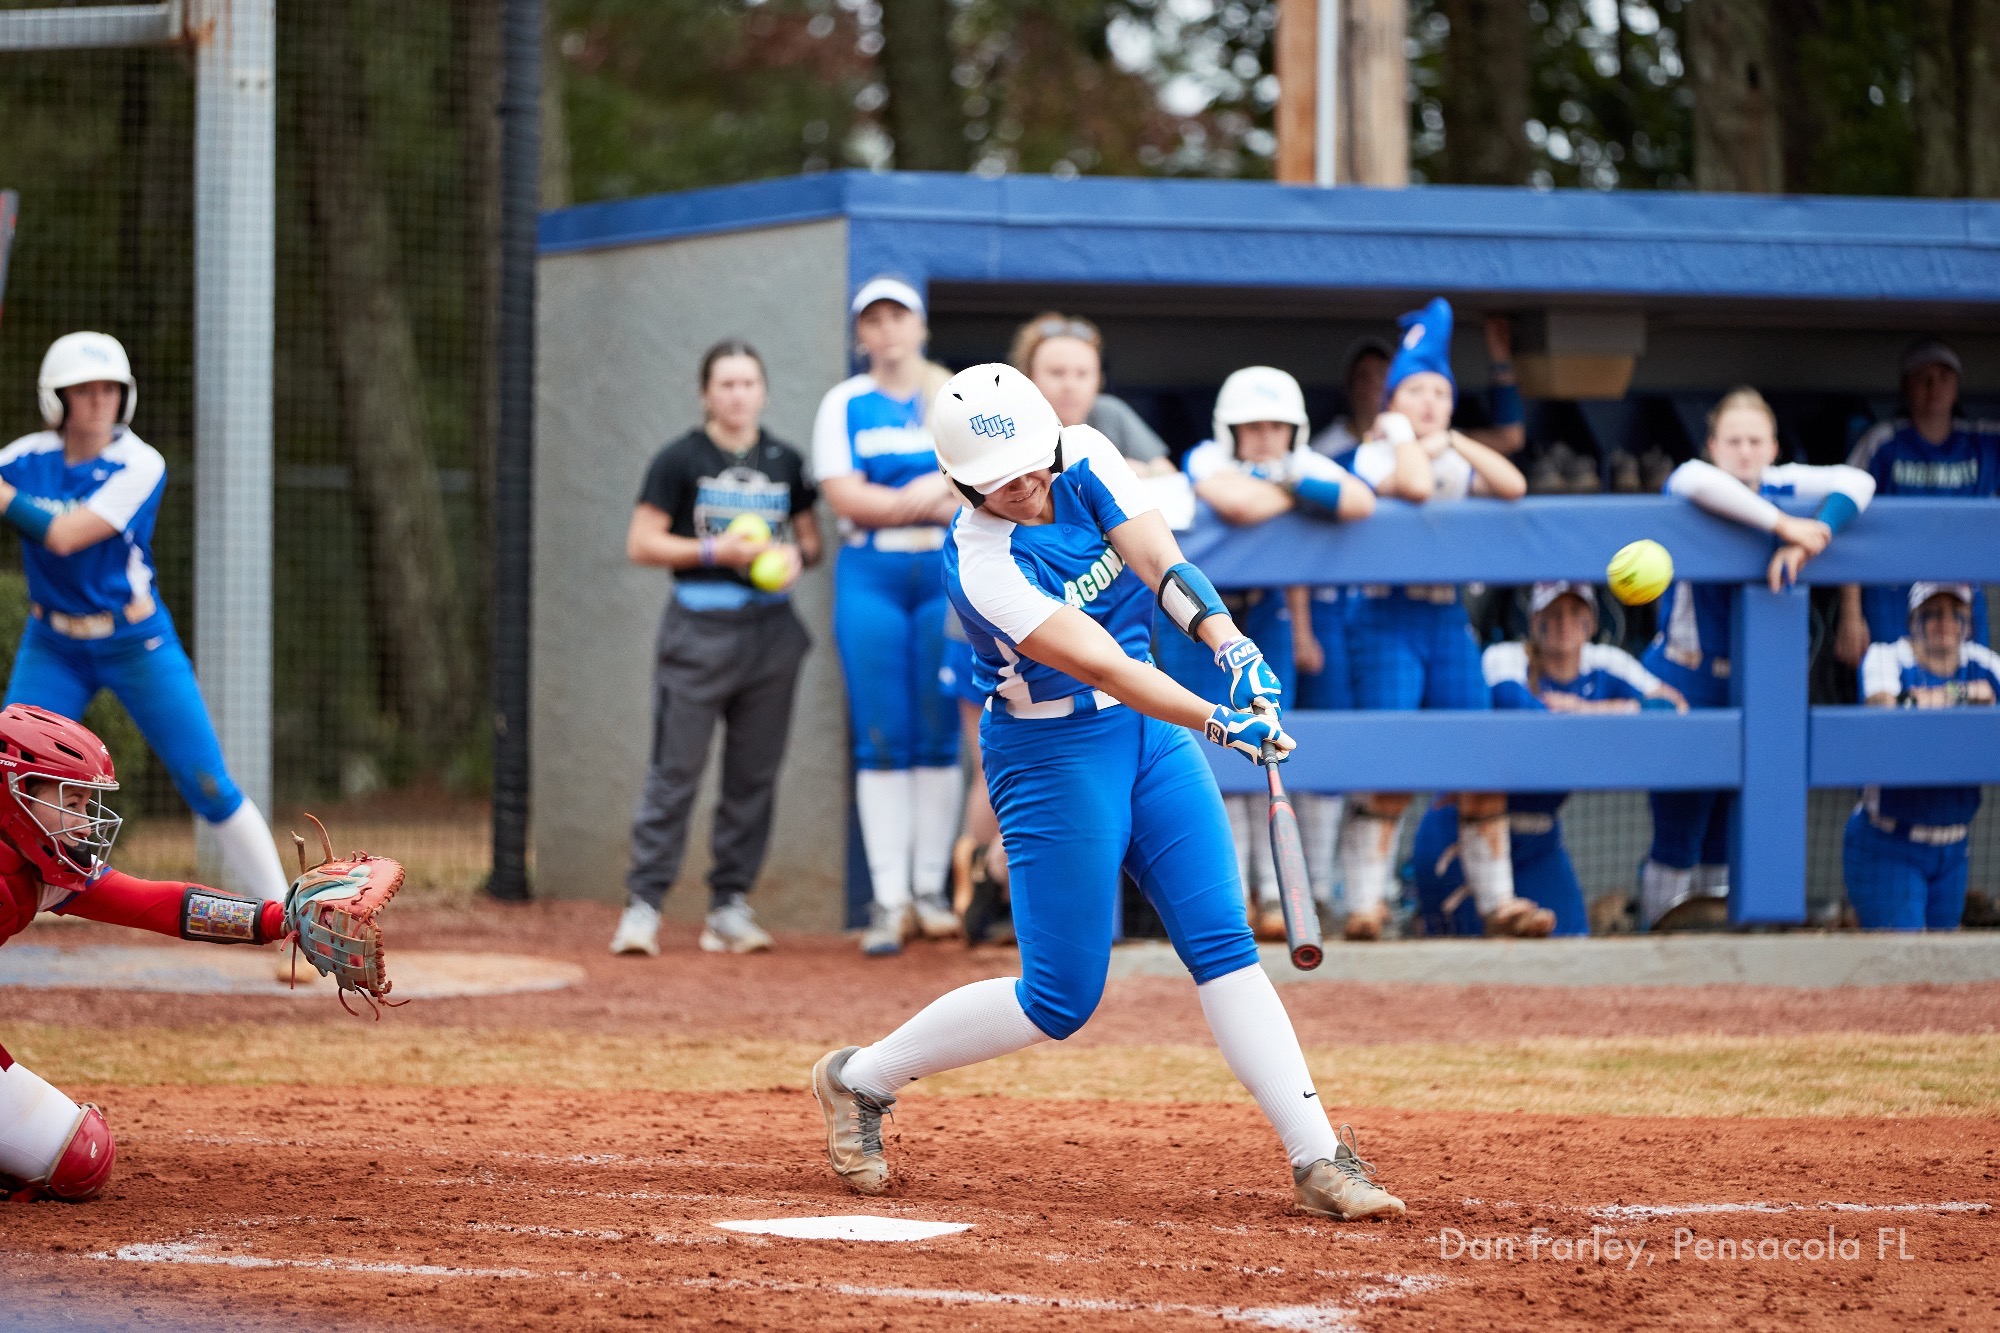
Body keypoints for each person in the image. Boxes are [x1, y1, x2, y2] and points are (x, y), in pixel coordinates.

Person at [810, 364, 1405, 1222]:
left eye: (1030, 464)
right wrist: (1221, 721)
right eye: (997, 479)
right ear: (959, 484)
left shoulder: (1085, 454)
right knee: (1059, 999)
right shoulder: (982, 562)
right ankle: (859, 1077)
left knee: (1223, 941)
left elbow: (1160, 559)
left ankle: (1318, 1157)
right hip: (1052, 752)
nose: (1023, 485)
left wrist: (1232, 644)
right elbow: (1107, 666)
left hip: (1147, 734)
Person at [0, 334, 291, 923]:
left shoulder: (140, 461)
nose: (100, 401)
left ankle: (287, 917)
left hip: (136, 642)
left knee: (208, 782)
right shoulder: (23, 458)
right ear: (57, 399)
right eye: (84, 390)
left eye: (110, 388)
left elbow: (64, 534)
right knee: (7, 776)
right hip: (53, 644)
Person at [0, 704, 290, 1202]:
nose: (85, 821)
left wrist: (275, 920)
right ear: (15, 791)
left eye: (87, 802)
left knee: (80, 1158)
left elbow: (156, 904)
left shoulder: (35, 866)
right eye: (70, 798)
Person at [1325, 298, 1544, 941]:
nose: (1428, 403)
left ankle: (1497, 900)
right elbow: (1415, 486)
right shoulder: (1373, 453)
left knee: (1476, 753)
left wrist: (1458, 442)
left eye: (1440, 393)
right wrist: (1399, 431)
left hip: (1445, 618)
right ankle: (1365, 904)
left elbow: (1514, 486)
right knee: (1388, 761)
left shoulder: (1453, 453)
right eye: (1415, 390)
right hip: (1384, 617)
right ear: (1393, 400)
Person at [609, 341, 821, 958]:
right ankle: (643, 908)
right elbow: (641, 543)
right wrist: (713, 553)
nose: (737, 394)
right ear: (706, 393)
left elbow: (810, 542)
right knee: (674, 774)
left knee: (753, 777)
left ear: (763, 391)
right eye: (725, 384)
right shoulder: (679, 460)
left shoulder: (786, 461)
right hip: (697, 632)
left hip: (771, 634)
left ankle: (728, 907)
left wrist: (792, 559)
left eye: (748, 383)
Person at [1639, 387, 1875, 929]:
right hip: (1686, 678)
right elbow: (1696, 482)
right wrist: (1782, 525)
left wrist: (1812, 538)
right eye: (1733, 441)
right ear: (1712, 445)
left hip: (1753, 684)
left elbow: (1858, 481)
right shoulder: (1694, 480)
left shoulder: (1779, 481)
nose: (1744, 452)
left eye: (1755, 441)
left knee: (1729, 833)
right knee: (1680, 829)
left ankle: (1714, 952)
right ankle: (1652, 950)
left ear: (1772, 447)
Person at [1167, 366, 1372, 938]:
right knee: (1220, 748)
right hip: (1204, 624)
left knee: (1269, 745)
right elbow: (1235, 503)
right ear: (1228, 429)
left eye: (1276, 427)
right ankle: (1235, 898)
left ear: (1295, 430)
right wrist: (1293, 492)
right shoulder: (1209, 456)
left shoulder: (1296, 462)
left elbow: (1358, 501)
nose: (1263, 437)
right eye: (1250, 427)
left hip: (1267, 616)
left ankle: (1272, 895)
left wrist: (1282, 481)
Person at [814, 277, 965, 956]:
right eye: (873, 319)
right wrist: (924, 492)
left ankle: (930, 892)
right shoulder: (843, 403)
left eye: (898, 316)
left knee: (939, 727)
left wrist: (902, 495)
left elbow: (974, 484)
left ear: (920, 325)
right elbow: (847, 497)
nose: (887, 330)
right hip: (870, 571)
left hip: (944, 568)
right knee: (882, 732)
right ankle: (888, 898)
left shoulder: (952, 392)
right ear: (860, 334)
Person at [1412, 583, 1684, 938]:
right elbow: (1516, 706)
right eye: (1552, 613)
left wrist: (1587, 709)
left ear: (1591, 620)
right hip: (1464, 830)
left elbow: (1673, 708)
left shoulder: (1605, 662)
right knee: (1467, 959)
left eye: (1574, 612)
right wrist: (1603, 725)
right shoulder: (1507, 656)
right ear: (1534, 620)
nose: (1564, 623)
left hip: (1539, 839)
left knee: (1572, 941)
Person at [1842, 584, 1999, 930]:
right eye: (1932, 613)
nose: (1944, 623)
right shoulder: (1887, 655)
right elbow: (1883, 705)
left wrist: (1927, 698)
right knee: (1902, 961)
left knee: (1940, 972)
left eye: (1954, 613)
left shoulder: (1981, 661)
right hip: (1889, 842)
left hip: (1954, 847)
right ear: (1913, 620)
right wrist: (1962, 694)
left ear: (1967, 623)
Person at [1837, 339, 2000, 665]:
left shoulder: (1982, 440)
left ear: (1957, 387)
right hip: (1890, 593)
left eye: (1944, 377)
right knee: (1893, 688)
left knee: (1964, 694)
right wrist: (1850, 614)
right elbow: (1844, 519)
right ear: (1905, 386)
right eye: (1923, 378)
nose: (1933, 387)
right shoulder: (1882, 442)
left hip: (1960, 595)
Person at [1010, 312, 1173, 474]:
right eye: (1057, 372)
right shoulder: (1009, 421)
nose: (1070, 385)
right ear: (1027, 378)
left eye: (1082, 373)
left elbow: (1167, 474)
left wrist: (1135, 473)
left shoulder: (1109, 412)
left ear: (1099, 380)